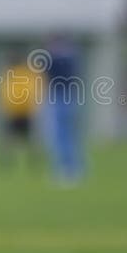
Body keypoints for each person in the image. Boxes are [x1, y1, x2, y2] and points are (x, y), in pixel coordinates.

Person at [44, 36, 85, 184]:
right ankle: (72, 168)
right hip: (67, 98)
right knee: (66, 136)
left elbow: (49, 73)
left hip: (61, 98)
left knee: (63, 136)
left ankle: (68, 169)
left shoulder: (61, 60)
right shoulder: (71, 58)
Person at [0, 51, 43, 169]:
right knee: (29, 139)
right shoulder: (28, 73)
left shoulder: (10, 74)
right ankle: (34, 161)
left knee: (9, 139)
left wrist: (4, 108)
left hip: (16, 112)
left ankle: (7, 161)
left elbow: (5, 94)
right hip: (24, 111)